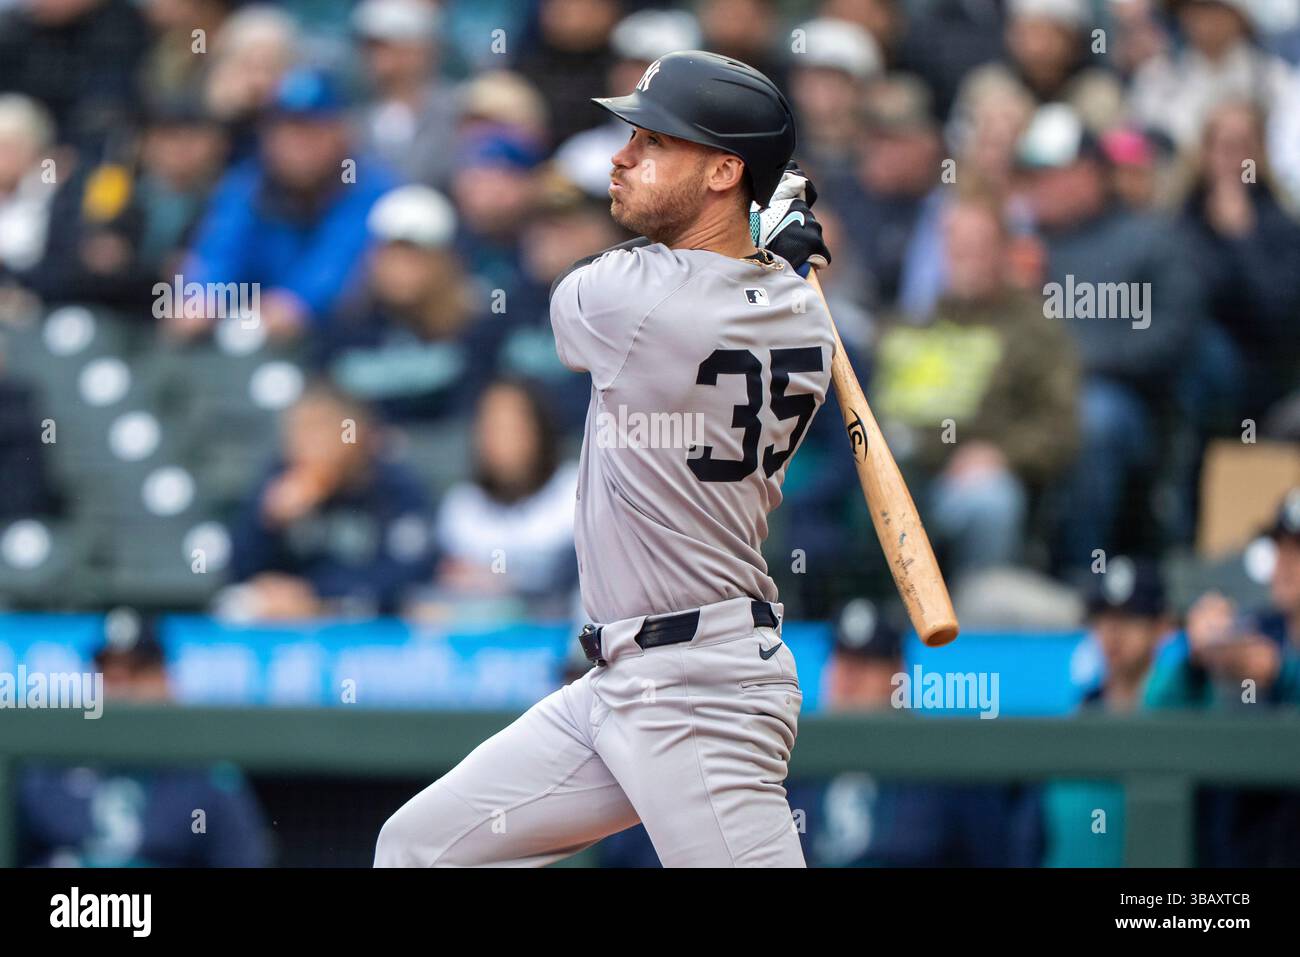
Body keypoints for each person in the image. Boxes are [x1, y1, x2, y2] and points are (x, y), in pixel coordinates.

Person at [376, 51, 836, 867]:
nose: (621, 158)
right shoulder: (806, 314)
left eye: (655, 141)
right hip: (629, 676)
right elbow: (746, 281)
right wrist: (772, 248)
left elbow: (596, 293)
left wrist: (767, 242)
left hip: (700, 691)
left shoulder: (631, 301)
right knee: (416, 848)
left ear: (726, 169)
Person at [871, 193, 1080, 582]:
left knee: (990, 502)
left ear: (1004, 251)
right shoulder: (911, 323)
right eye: (956, 247)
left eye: (977, 247)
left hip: (967, 482)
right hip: (894, 474)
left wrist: (1000, 455)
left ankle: (975, 624)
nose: (965, 259)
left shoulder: (1035, 330)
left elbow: (1059, 429)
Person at [18, 608, 271, 867]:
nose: (121, 689)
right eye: (108, 674)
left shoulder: (203, 775)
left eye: (137, 672)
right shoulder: (49, 765)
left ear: (165, 679)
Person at [179, 66, 399, 340]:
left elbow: (333, 269)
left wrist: (294, 303)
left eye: (310, 130)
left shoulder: (371, 188)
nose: (296, 145)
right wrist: (202, 296)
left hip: (347, 345)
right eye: (284, 130)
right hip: (256, 339)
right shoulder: (248, 185)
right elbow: (218, 253)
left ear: (340, 133)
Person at [1144, 488, 1300, 865]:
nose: (1286, 564)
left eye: (1298, 551)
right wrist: (1194, 662)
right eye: (1281, 548)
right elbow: (1154, 723)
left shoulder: (1270, 652)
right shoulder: (1253, 631)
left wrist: (1281, 675)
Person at [225, 382, 435, 619]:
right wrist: (268, 523)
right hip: (289, 626)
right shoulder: (281, 479)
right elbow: (239, 568)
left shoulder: (393, 486)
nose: (305, 444)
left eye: (319, 429)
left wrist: (315, 598)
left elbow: (406, 575)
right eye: (297, 431)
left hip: (370, 630)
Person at [317, 184, 501, 424]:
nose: (401, 267)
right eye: (392, 253)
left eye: (414, 254)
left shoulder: (474, 331)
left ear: (443, 262)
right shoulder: (344, 328)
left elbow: (473, 419)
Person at [1031, 559, 1172, 866]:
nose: (1113, 631)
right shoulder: (1076, 715)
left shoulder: (1180, 705)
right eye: (1103, 616)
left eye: (1131, 616)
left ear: (1161, 627)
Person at [417, 379, 579, 620]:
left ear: (539, 428)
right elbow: (438, 590)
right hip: (482, 649)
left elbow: (582, 584)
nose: (499, 440)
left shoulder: (576, 491)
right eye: (490, 427)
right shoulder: (461, 506)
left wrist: (507, 583)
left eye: (511, 426)